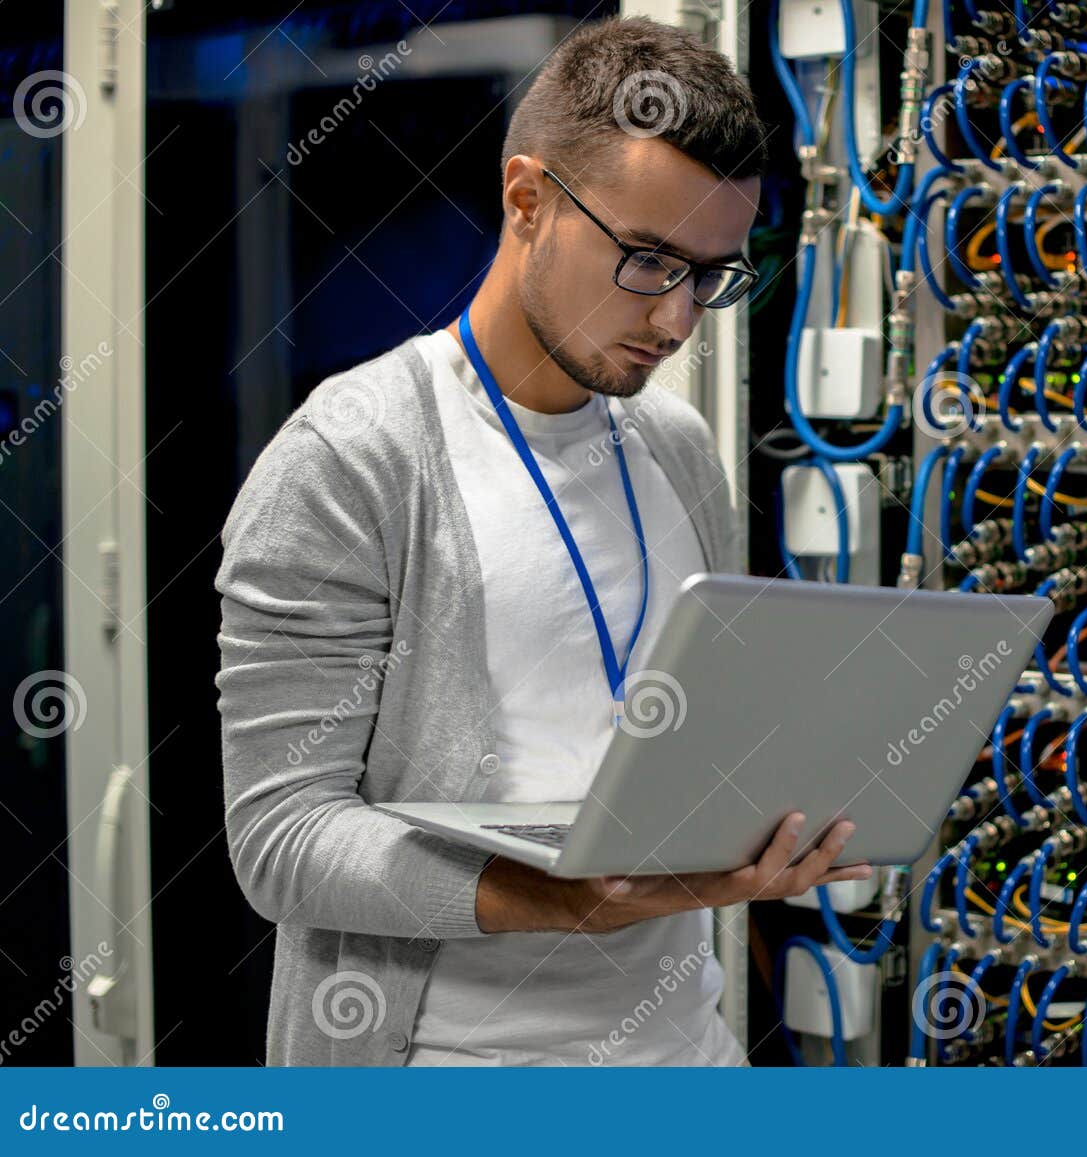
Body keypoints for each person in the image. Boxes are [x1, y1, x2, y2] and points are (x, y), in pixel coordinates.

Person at [215, 15, 867, 1068]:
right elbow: (282, 836)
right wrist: (549, 898)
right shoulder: (351, 456)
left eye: (711, 273)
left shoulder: (676, 445)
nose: (678, 320)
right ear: (527, 200)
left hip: (688, 1057)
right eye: (649, 260)